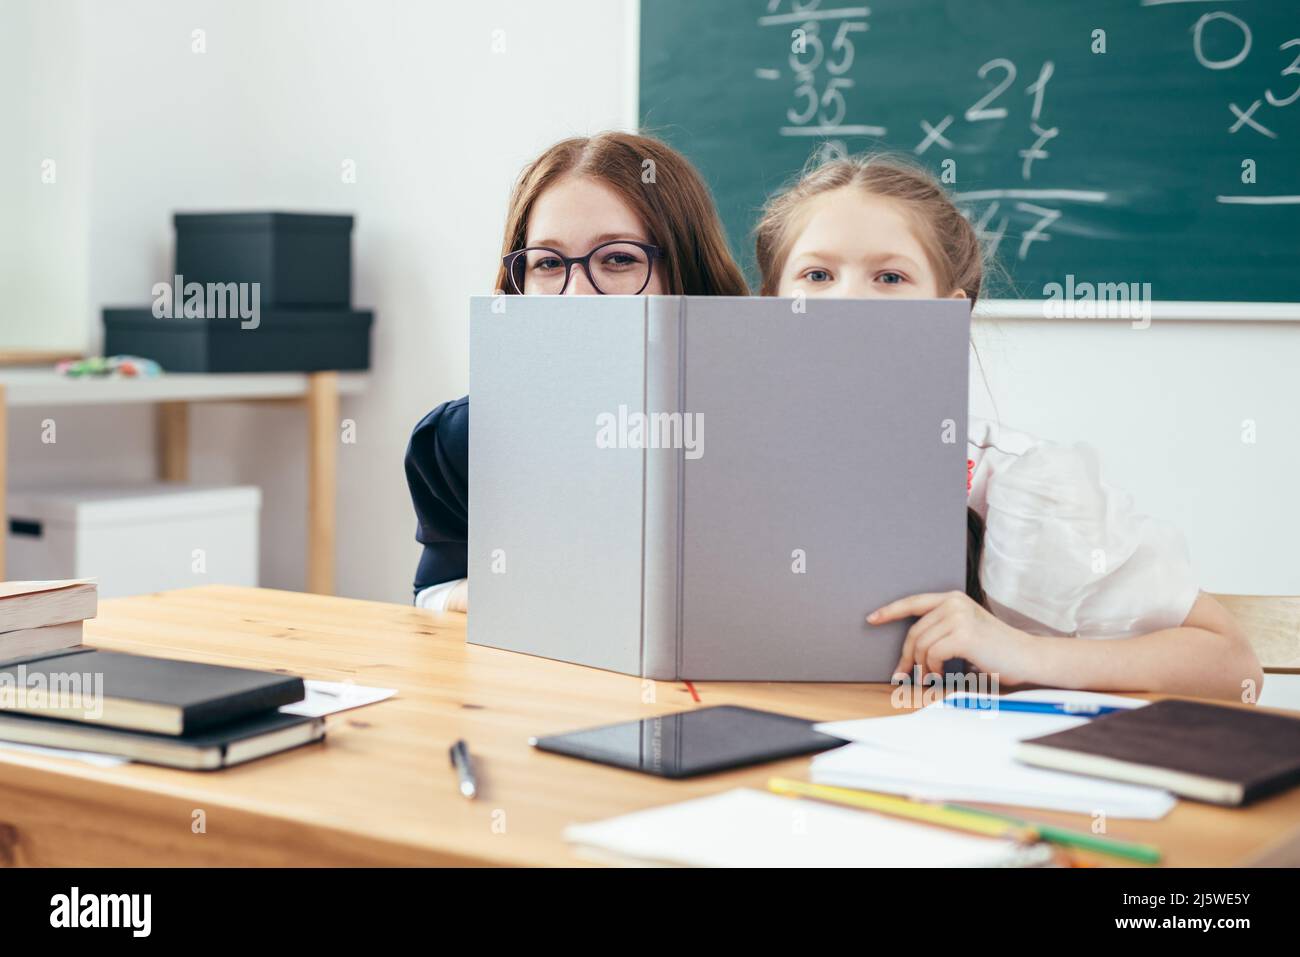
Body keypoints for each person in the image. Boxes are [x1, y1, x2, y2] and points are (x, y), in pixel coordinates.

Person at [754, 153, 1260, 701]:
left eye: (891, 276)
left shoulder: (1018, 482)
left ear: (952, 312)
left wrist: (1022, 652)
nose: (849, 300)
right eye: (818, 274)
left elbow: (1233, 667)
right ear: (771, 305)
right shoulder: (721, 467)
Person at [405, 132, 748, 613]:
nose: (576, 294)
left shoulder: (764, 427)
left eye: (618, 259)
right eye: (547, 263)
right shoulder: (459, 438)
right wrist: (522, 593)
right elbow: (434, 592)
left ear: (685, 273)